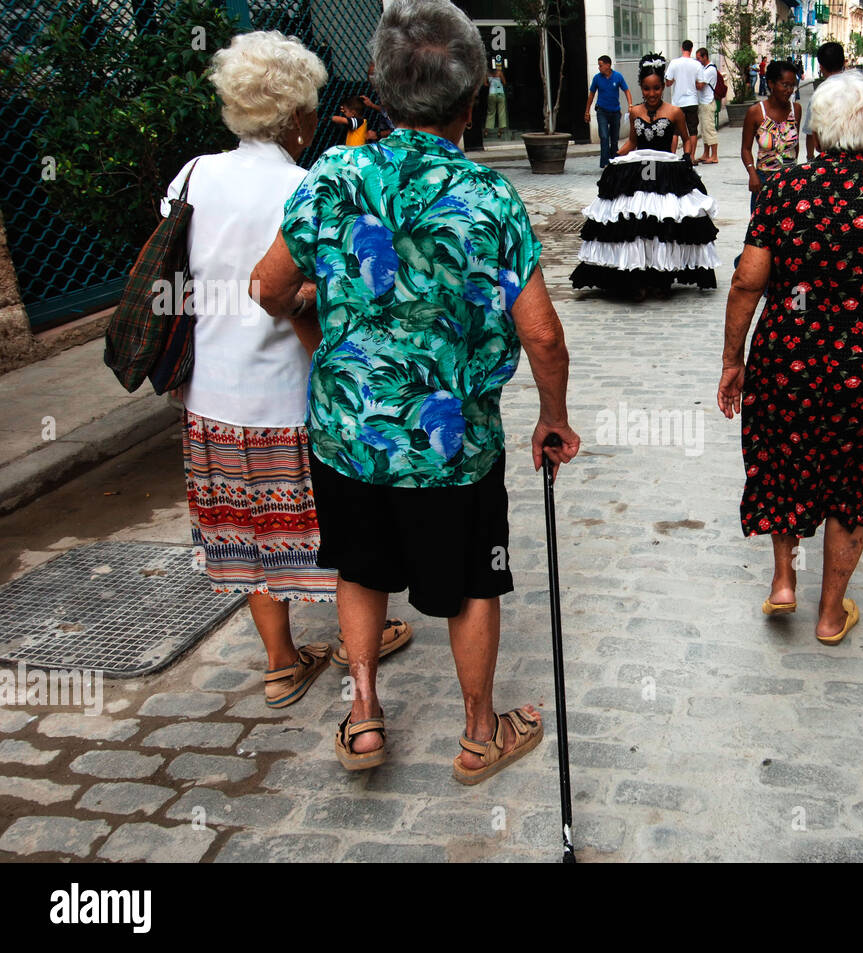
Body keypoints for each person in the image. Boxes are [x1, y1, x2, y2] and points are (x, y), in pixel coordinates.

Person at [250, 0, 580, 774]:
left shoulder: (334, 174)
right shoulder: (489, 196)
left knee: (361, 566)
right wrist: (553, 418)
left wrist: (316, 333)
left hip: (349, 435)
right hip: (453, 445)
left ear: (380, 89)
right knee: (470, 579)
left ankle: (364, 715)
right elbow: (542, 333)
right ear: (474, 97)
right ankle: (477, 731)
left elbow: (267, 286)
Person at [166, 31, 410, 712]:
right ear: (298, 114)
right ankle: (363, 630)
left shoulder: (192, 176)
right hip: (291, 392)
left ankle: (279, 662)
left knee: (245, 524)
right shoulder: (312, 187)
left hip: (211, 392)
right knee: (328, 520)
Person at [718, 70, 863, 645]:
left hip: (785, 359)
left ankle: (784, 581)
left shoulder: (782, 191)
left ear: (814, 135)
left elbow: (747, 282)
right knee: (852, 480)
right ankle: (830, 613)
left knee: (783, 461)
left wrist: (731, 361)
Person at [572, 53, 718, 296]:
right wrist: (616, 157)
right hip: (639, 172)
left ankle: (661, 278)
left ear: (663, 87)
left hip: (666, 172)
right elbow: (632, 142)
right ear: (641, 88)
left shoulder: (675, 112)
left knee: (665, 224)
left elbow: (687, 138)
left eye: (657, 88)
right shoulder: (635, 111)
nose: (652, 94)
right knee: (638, 225)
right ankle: (639, 278)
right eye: (647, 89)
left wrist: (688, 156)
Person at [740, 60, 800, 215]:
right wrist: (752, 174)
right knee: (761, 232)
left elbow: (796, 145)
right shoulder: (756, 112)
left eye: (792, 85)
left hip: (791, 182)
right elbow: (746, 149)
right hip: (763, 181)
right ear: (772, 84)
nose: (789, 90)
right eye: (784, 84)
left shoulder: (796, 110)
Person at [585, 55, 632, 169]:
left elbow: (626, 90)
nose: (599, 68)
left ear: (608, 65)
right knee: (604, 136)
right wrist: (587, 111)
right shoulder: (597, 78)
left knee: (614, 139)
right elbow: (591, 95)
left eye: (600, 65)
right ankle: (605, 162)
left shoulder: (618, 77)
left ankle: (614, 161)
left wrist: (630, 105)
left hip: (615, 112)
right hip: (602, 111)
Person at [665, 40, 705, 162]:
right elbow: (701, 85)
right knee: (692, 131)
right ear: (691, 49)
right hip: (692, 101)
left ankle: (672, 157)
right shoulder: (697, 64)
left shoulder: (674, 63)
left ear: (682, 48)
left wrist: (676, 80)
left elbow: (668, 83)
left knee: (675, 132)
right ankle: (691, 157)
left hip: (677, 103)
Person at [804, 41, 844, 158]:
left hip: (829, 160)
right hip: (861, 159)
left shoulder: (819, 96)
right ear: (843, 62)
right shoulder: (862, 91)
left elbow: (810, 132)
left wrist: (810, 158)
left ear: (821, 67)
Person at [695, 47, 720, 164]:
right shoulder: (705, 68)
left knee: (709, 129)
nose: (698, 60)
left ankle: (714, 155)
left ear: (705, 57)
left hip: (707, 102)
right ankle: (706, 154)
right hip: (703, 102)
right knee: (704, 130)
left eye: (699, 58)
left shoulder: (709, 70)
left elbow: (700, 85)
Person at [484, 61, 508, 139]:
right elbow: (504, 82)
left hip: (492, 93)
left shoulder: (487, 73)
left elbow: (485, 84)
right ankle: (499, 132)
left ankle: (486, 131)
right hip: (500, 93)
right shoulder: (499, 72)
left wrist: (491, 84)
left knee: (491, 112)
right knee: (501, 112)